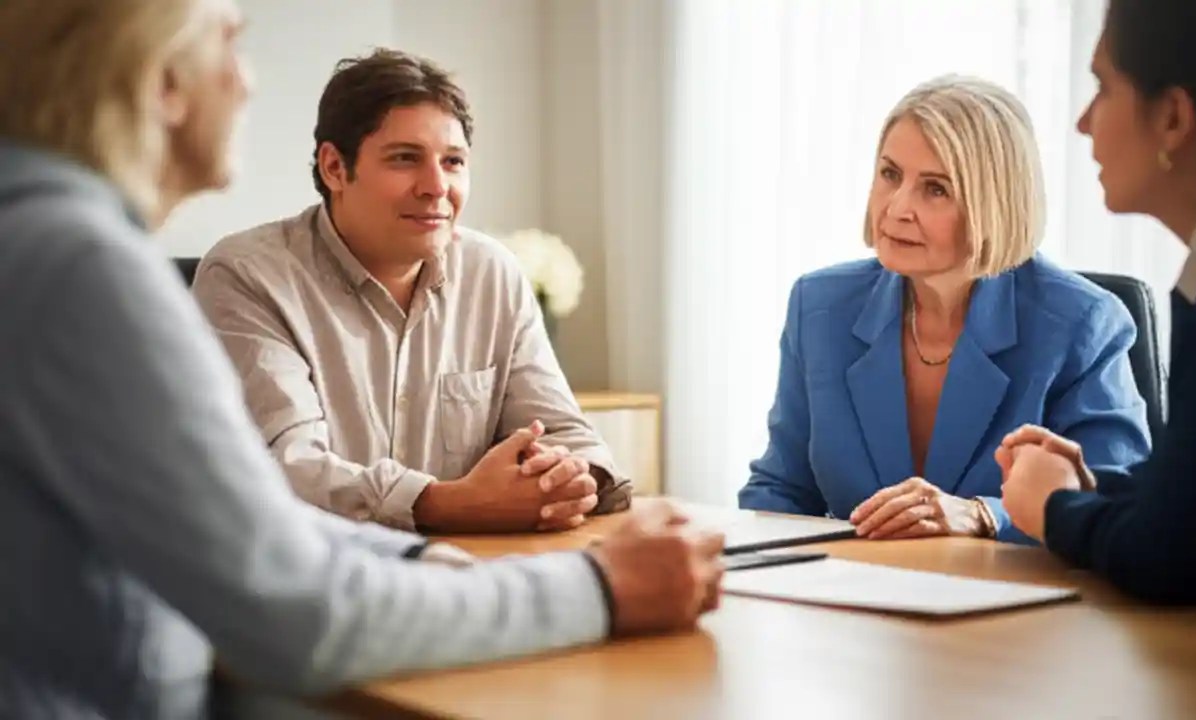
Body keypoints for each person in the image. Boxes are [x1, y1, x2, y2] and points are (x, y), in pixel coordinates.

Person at [0, 1, 724, 716]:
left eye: (451, 161)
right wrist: (597, 587)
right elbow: (293, 604)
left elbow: (253, 528)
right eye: (230, 41)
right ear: (159, 79)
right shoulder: (81, 268)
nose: (250, 83)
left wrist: (426, 559)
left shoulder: (49, 244)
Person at [191, 49, 626, 535]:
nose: (437, 186)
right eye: (405, 159)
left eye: (453, 162)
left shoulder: (492, 273)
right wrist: (450, 504)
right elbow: (290, 471)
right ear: (334, 167)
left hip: (473, 571)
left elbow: (568, 436)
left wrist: (570, 479)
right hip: (319, 583)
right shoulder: (246, 275)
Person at [739, 76, 1150, 543]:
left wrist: (984, 515)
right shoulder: (818, 307)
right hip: (857, 599)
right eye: (890, 174)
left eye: (935, 189)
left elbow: (1114, 502)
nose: (896, 209)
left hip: (1018, 605)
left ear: (992, 203)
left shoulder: (1083, 324)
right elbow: (780, 488)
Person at [999, 0, 1196, 601]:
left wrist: (1052, 509)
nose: (1081, 122)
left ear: (1173, 118)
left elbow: (1178, 550)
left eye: (1102, 86)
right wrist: (1093, 490)